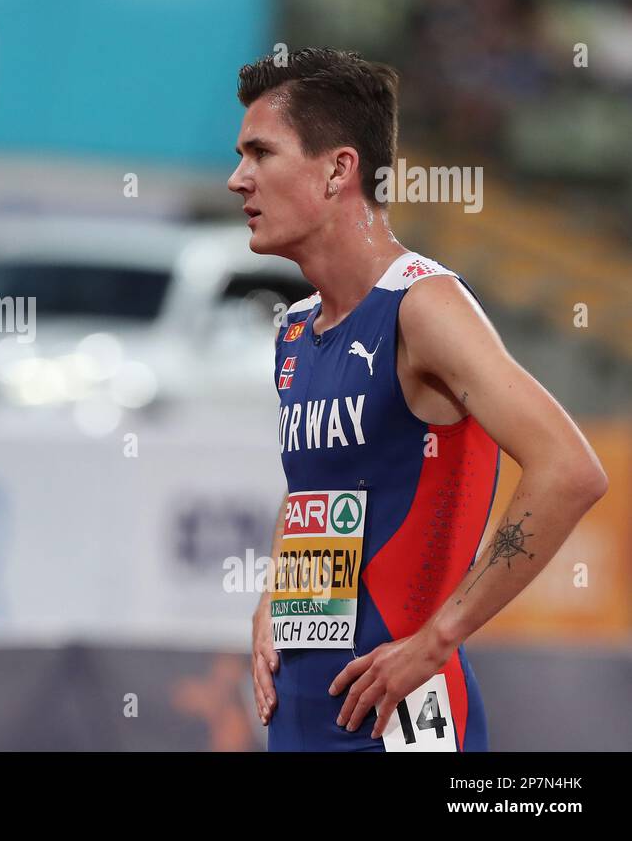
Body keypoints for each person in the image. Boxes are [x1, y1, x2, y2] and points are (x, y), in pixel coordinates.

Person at [229, 48, 608, 751]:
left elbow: (571, 470)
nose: (237, 179)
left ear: (338, 169)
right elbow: (317, 484)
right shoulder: (292, 331)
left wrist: (438, 639)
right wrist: (273, 596)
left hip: (403, 720)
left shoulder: (423, 306)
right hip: (303, 708)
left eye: (260, 153)